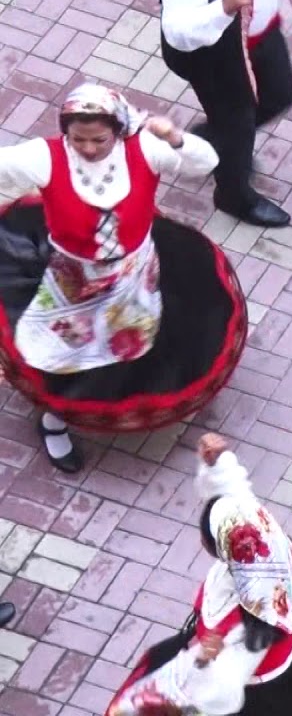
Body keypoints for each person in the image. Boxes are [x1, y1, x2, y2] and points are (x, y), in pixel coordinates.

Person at [0, 84, 246, 473]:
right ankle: (54, 419)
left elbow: (206, 162)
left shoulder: (144, 147)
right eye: (78, 139)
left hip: (134, 276)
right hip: (73, 284)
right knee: (58, 357)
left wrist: (175, 137)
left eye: (99, 139)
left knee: (131, 350)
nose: (89, 148)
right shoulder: (44, 157)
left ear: (116, 130)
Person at [105, 433, 292, 716]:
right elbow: (241, 505)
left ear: (218, 549)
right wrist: (218, 465)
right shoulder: (269, 553)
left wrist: (146, 702)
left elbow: (214, 683)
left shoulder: (236, 632)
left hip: (255, 698)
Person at [159, 0, 292, 228]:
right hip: (212, 54)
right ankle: (234, 198)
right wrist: (224, 8)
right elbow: (177, 33)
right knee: (235, 128)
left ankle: (212, 138)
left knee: (280, 93)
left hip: (260, 31)